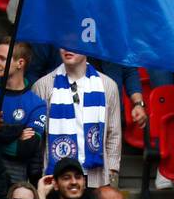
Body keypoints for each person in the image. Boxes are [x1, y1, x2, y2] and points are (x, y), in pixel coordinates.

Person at [32, 50, 123, 188]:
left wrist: (112, 172)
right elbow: (38, 139)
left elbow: (113, 133)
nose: (67, 48)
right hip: (56, 177)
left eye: (73, 43)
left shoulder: (108, 85)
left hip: (96, 178)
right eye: (64, 43)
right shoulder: (43, 86)